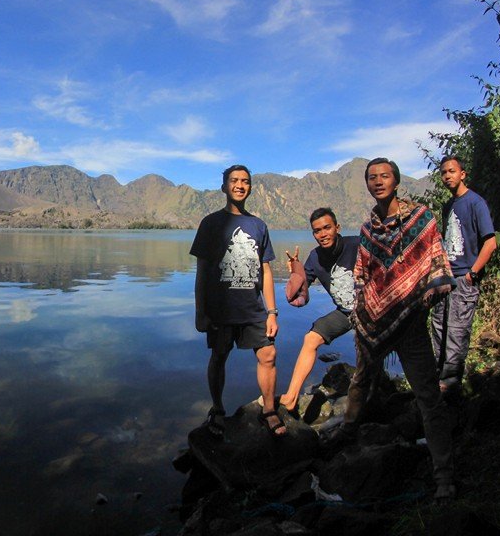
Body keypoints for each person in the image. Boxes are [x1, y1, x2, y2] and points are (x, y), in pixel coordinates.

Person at [340, 157, 458, 500]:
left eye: (384, 176)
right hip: (373, 323)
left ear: (396, 180)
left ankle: (444, 475)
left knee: (428, 396)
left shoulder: (421, 219)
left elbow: (435, 260)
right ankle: (348, 432)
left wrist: (418, 297)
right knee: (360, 380)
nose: (378, 181)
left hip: (411, 322)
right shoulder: (367, 230)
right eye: (372, 177)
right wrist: (364, 311)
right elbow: (362, 274)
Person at [190, 164, 286, 438]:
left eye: (245, 181)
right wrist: (201, 312)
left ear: (250, 187)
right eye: (234, 181)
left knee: (268, 354)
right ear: (224, 187)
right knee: (219, 357)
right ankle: (217, 409)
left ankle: (268, 410)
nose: (240, 185)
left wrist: (272, 312)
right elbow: (203, 271)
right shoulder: (211, 223)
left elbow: (266, 270)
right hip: (220, 310)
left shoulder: (258, 225)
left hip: (253, 309)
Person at [280, 207, 359, 415]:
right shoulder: (314, 257)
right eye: (317, 231)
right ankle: (291, 397)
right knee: (311, 338)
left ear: (337, 227)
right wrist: (296, 271)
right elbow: (301, 297)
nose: (322, 234)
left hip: (370, 310)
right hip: (345, 312)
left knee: (371, 356)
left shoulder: (356, 245)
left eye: (327, 228)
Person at [430, 155, 496, 398]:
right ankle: (437, 380)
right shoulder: (449, 206)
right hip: (446, 279)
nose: (447, 176)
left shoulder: (475, 203)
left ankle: (450, 386)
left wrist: (471, 274)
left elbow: (490, 242)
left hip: (464, 280)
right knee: (439, 329)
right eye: (444, 173)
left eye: (452, 171)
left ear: (462, 174)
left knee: (457, 332)